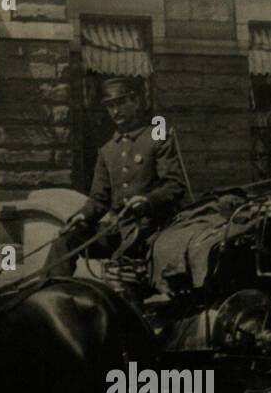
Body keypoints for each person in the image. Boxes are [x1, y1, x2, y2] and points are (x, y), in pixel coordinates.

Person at [43, 76, 186, 302]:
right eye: (110, 106)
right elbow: (99, 200)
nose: (115, 111)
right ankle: (53, 298)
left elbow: (175, 185)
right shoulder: (108, 150)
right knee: (66, 239)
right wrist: (82, 216)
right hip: (121, 231)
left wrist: (147, 201)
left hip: (153, 230)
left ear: (136, 102)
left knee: (122, 272)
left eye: (120, 103)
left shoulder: (156, 136)